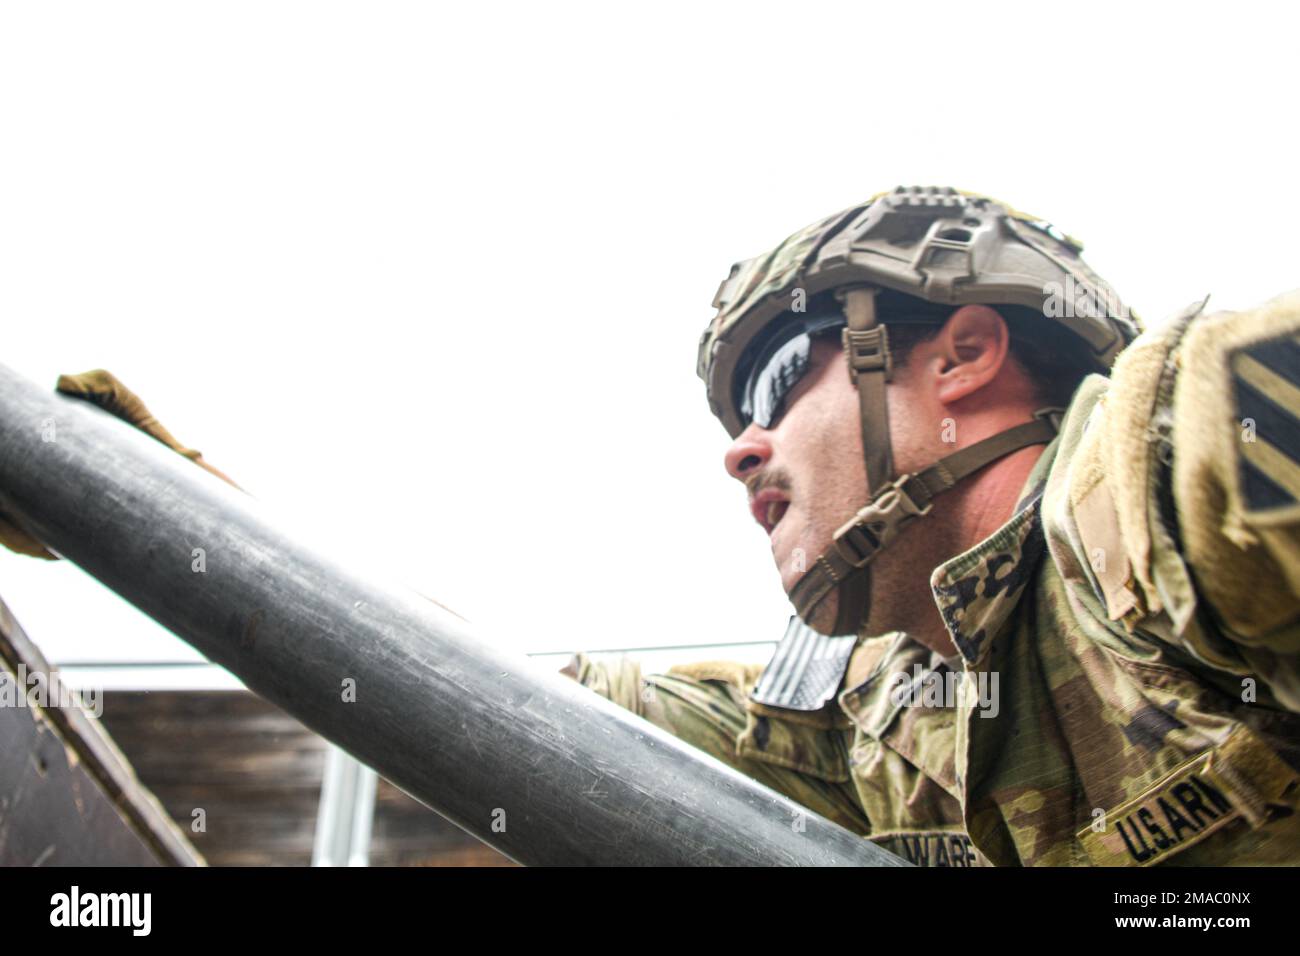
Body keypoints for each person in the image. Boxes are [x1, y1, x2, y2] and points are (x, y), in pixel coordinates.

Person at [564, 186, 1300, 866]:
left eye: (777, 380)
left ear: (965, 357)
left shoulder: (1151, 486)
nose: (742, 449)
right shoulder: (875, 719)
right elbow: (540, 712)